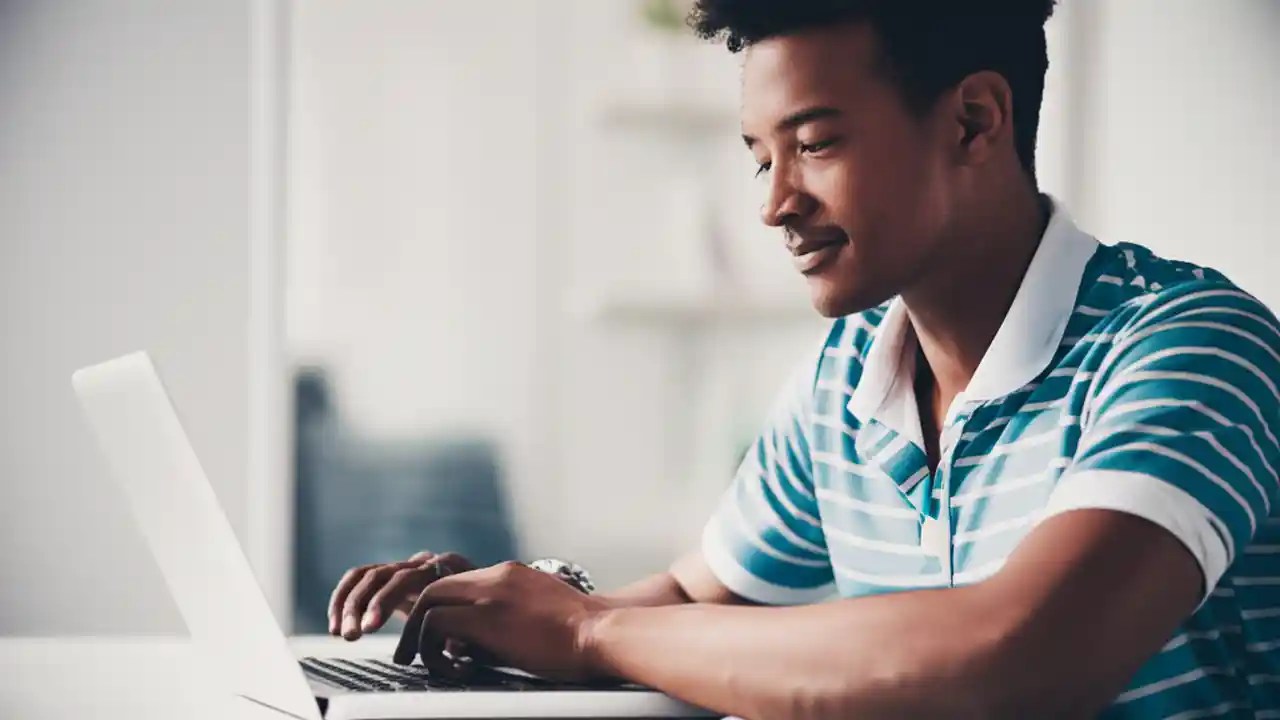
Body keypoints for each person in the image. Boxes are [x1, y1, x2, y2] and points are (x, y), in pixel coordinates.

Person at [327, 2, 1280, 717]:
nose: (774, 203)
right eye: (758, 157)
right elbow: (692, 601)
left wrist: (589, 630)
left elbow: (1024, 657)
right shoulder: (847, 376)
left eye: (815, 145)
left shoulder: (1188, 344)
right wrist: (510, 611)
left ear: (975, 122)